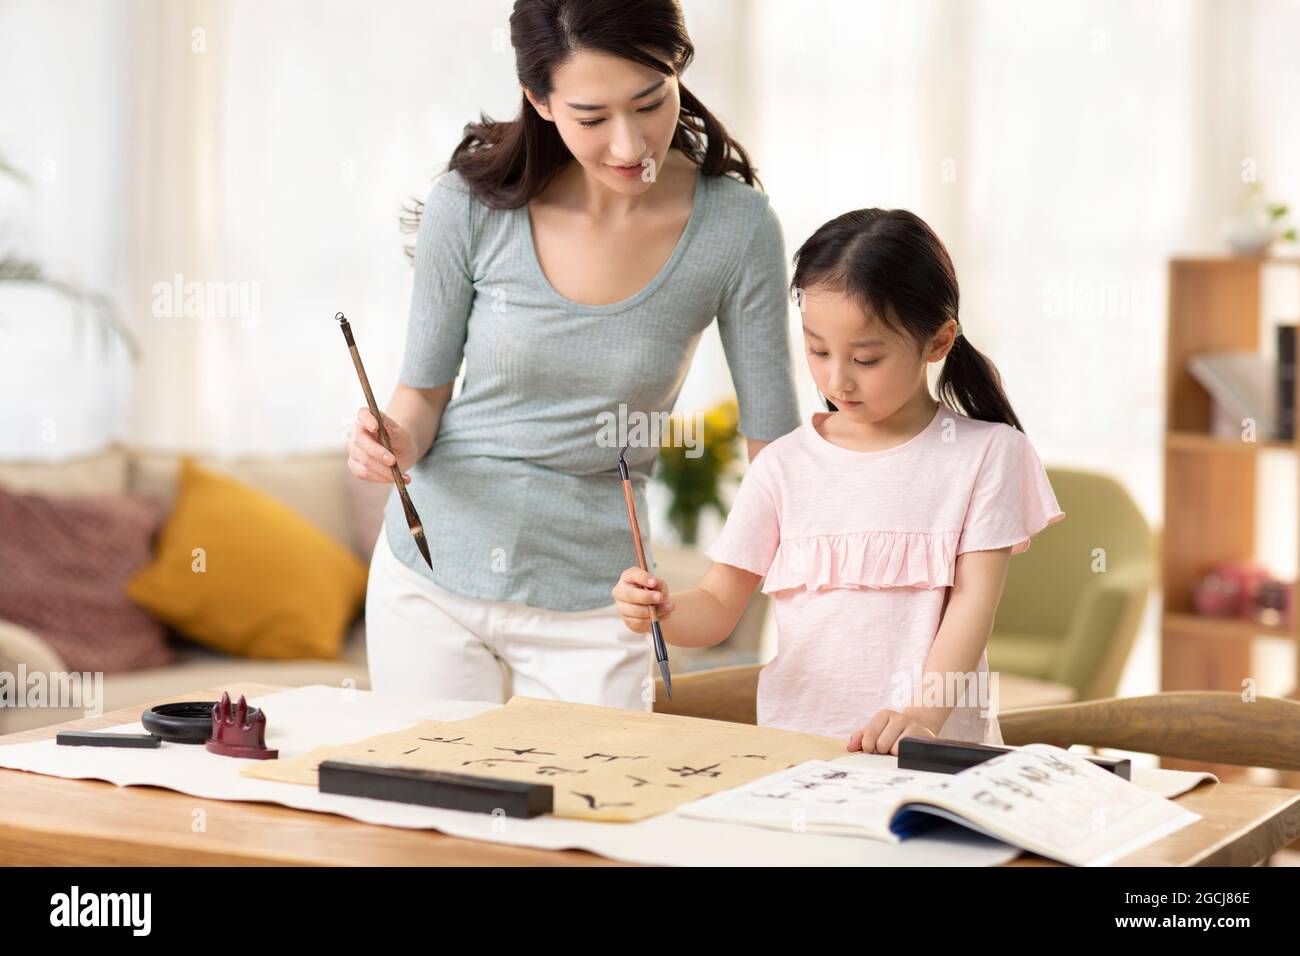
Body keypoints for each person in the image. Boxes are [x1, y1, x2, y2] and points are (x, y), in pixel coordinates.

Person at [351, 0, 801, 709]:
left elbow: (775, 453)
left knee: (594, 813)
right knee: (422, 806)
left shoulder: (737, 229)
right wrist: (392, 439)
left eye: (650, 102)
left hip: (599, 595)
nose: (630, 147)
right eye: (592, 117)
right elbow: (423, 397)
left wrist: (725, 592)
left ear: (677, 70)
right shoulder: (469, 206)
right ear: (539, 99)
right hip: (431, 572)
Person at [612, 208, 1066, 752]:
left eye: (866, 359)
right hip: (799, 755)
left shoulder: (988, 454)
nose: (836, 379)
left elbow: (972, 604)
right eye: (818, 350)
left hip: (933, 753)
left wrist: (920, 718)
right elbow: (717, 604)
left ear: (939, 342)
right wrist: (662, 611)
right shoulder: (781, 466)